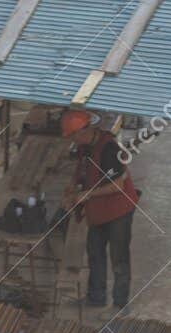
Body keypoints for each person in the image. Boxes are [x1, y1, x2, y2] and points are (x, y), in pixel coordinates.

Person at [61, 110, 140, 310]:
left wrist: (86, 194)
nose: (72, 141)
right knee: (95, 253)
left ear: (84, 131)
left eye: (73, 136)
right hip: (98, 210)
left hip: (118, 210)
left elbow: (117, 186)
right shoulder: (84, 147)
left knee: (119, 259)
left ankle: (120, 305)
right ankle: (96, 298)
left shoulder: (110, 149)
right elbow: (82, 169)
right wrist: (72, 186)